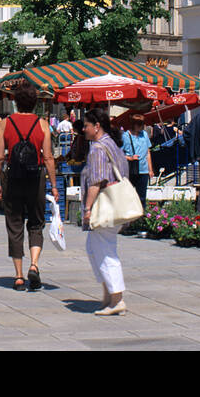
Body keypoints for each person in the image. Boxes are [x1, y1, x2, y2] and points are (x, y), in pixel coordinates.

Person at [0, 86, 58, 292]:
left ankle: (19, 276)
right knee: (36, 222)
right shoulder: (43, 124)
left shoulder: (5, 124)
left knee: (15, 224)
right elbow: (48, 157)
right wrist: (54, 185)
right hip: (35, 177)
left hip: (14, 178)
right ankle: (34, 265)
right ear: (35, 103)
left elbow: (0, 157)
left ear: (16, 102)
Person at [79, 109, 128, 316]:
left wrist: (88, 208)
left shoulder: (98, 148)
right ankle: (109, 295)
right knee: (95, 247)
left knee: (104, 250)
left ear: (96, 126)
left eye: (86, 125)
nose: (83, 129)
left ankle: (116, 298)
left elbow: (96, 181)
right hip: (114, 205)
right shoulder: (111, 144)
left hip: (104, 206)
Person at [122, 119, 154, 207]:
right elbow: (118, 154)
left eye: (143, 124)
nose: (142, 126)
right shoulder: (125, 136)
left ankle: (141, 218)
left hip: (143, 170)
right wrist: (130, 158)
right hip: (130, 170)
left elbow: (148, 152)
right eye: (139, 124)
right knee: (127, 196)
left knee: (142, 197)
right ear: (133, 124)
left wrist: (150, 170)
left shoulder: (144, 135)